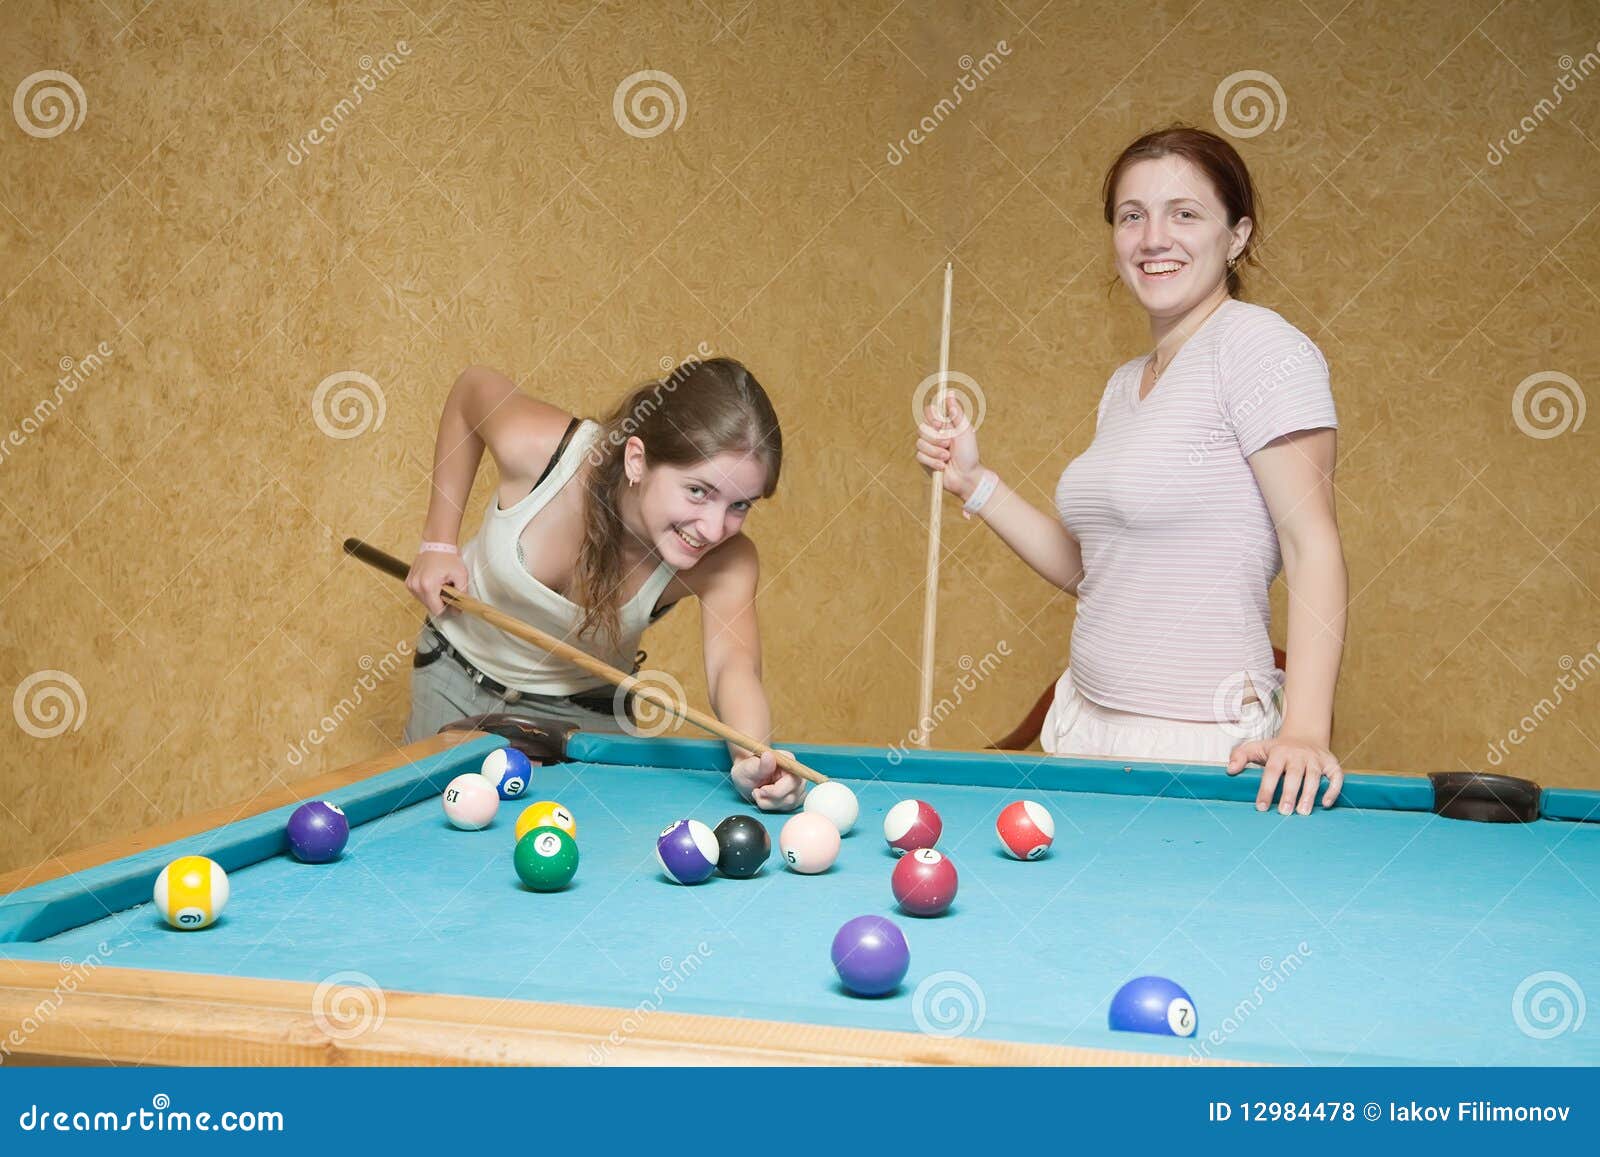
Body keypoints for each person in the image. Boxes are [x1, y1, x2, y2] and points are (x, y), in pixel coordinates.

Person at [916, 125, 1347, 815]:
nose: (1153, 238)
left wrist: (1304, 731)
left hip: (1203, 743)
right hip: (1083, 724)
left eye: (1185, 213)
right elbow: (1097, 570)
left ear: (1236, 236)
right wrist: (976, 483)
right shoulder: (1124, 385)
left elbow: (1311, 541)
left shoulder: (1262, 349)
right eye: (1132, 216)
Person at [403, 356, 803, 810]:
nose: (714, 529)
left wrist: (755, 757)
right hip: (454, 679)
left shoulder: (727, 560)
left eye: (740, 505)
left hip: (584, 722)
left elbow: (734, 666)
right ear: (638, 459)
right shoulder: (543, 450)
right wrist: (438, 542)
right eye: (698, 491)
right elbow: (472, 388)